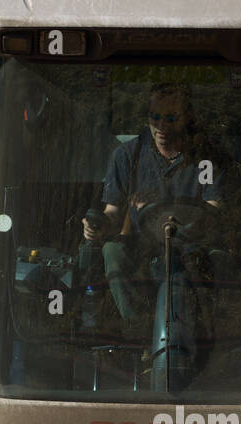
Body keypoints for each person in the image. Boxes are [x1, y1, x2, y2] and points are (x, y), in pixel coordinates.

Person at [82, 85, 226, 336]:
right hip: (143, 250)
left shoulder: (205, 158)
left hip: (192, 249)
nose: (161, 126)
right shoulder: (127, 156)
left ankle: (206, 337)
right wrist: (98, 225)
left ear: (188, 117)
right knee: (112, 251)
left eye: (171, 118)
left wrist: (190, 228)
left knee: (220, 262)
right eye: (154, 117)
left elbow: (215, 208)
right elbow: (112, 211)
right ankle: (140, 334)